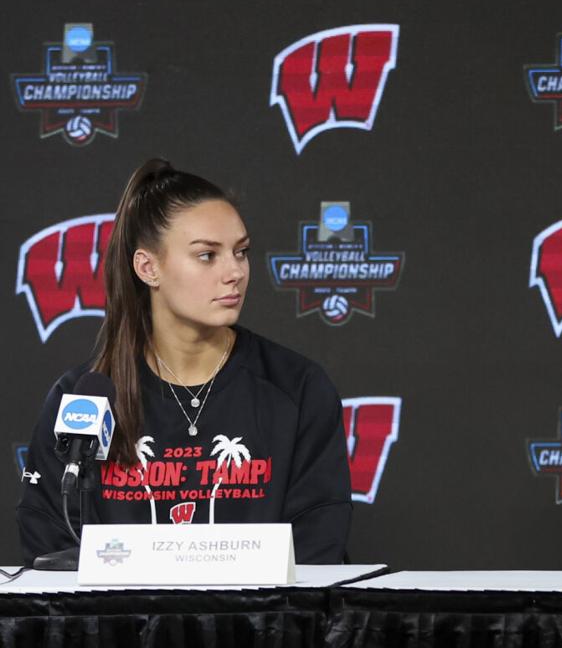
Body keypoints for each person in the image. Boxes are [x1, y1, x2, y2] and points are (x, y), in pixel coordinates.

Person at [17, 159, 352, 564]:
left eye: (241, 252)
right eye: (207, 256)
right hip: (117, 627)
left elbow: (318, 550)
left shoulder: (297, 388)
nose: (235, 272)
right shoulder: (80, 399)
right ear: (148, 267)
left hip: (262, 626)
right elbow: (52, 548)